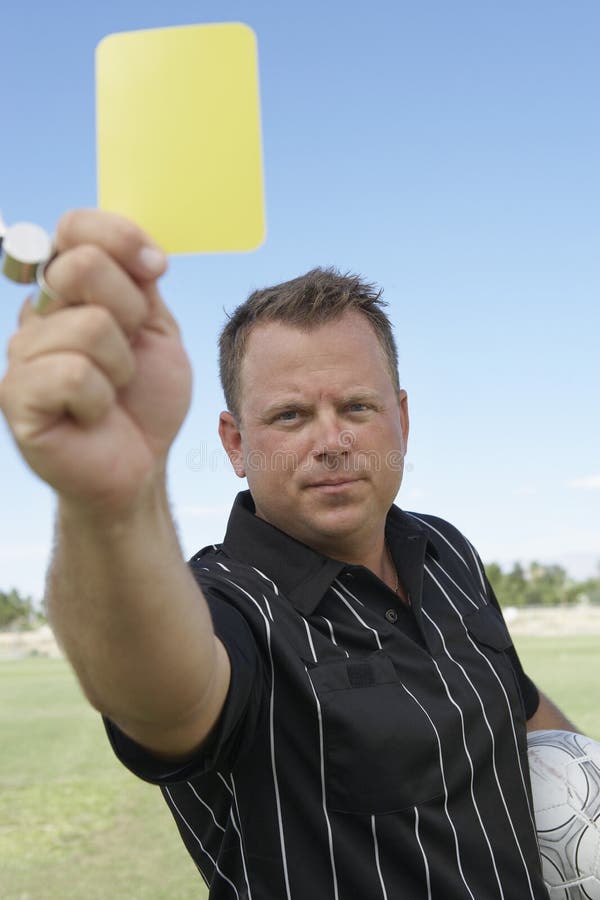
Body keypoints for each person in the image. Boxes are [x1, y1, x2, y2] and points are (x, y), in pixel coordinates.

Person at [0, 209, 576, 899]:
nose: (330, 440)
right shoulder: (227, 603)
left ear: (402, 417)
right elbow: (157, 697)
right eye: (290, 416)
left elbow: (515, 701)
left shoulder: (445, 549)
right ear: (235, 443)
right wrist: (110, 507)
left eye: (357, 408)